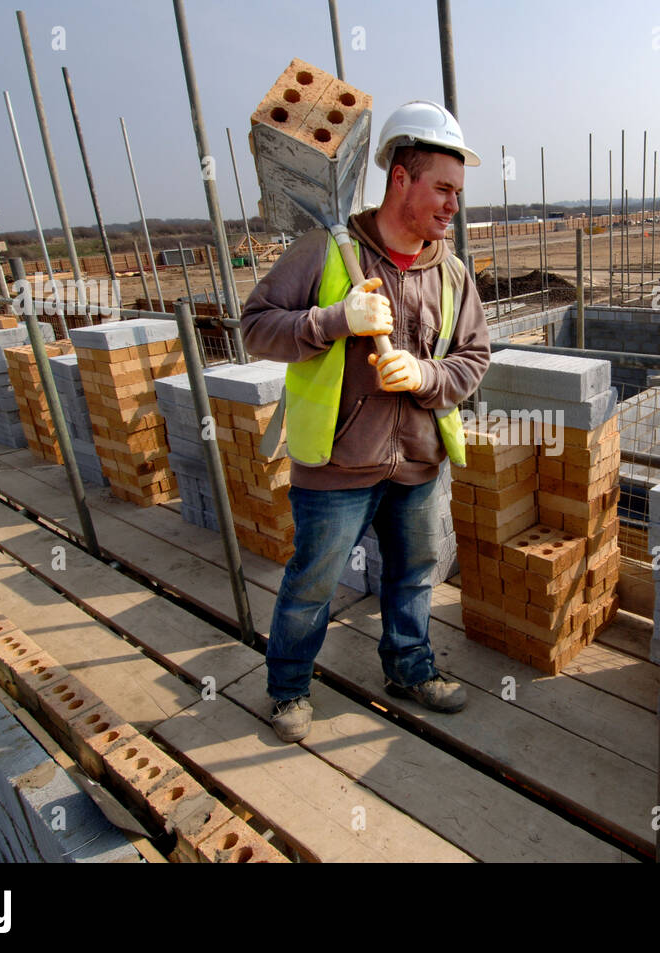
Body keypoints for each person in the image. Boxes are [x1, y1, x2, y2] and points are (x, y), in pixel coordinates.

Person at [241, 101, 490, 743]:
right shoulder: (325, 249)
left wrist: (428, 377)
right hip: (336, 466)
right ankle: (289, 688)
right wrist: (332, 322)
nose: (451, 206)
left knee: (412, 576)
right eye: (442, 188)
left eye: (458, 193)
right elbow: (255, 328)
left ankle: (409, 669)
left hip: (416, 463)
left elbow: (474, 357)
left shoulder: (454, 275)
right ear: (400, 178)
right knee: (313, 584)